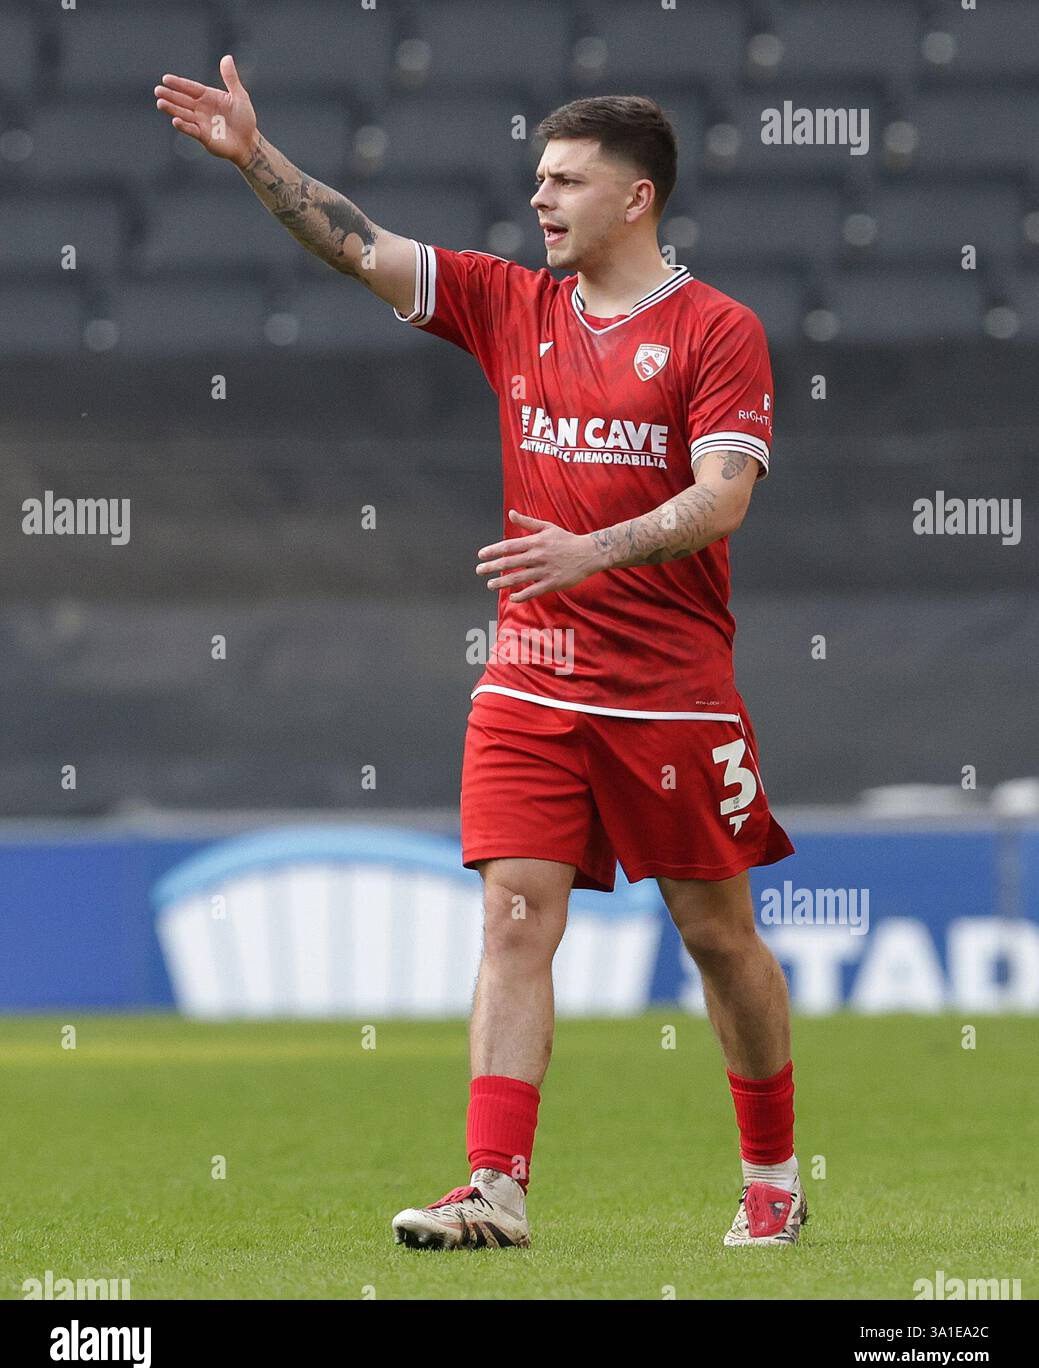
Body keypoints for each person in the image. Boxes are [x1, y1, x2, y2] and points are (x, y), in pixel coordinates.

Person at [154, 59, 805, 1249]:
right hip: (527, 678)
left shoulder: (717, 332)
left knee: (718, 938)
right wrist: (254, 155)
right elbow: (357, 247)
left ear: (636, 198)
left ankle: (772, 1172)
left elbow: (722, 502)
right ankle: (494, 1184)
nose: (541, 200)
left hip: (669, 698)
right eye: (537, 179)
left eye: (565, 181)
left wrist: (587, 552)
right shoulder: (512, 303)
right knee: (514, 922)